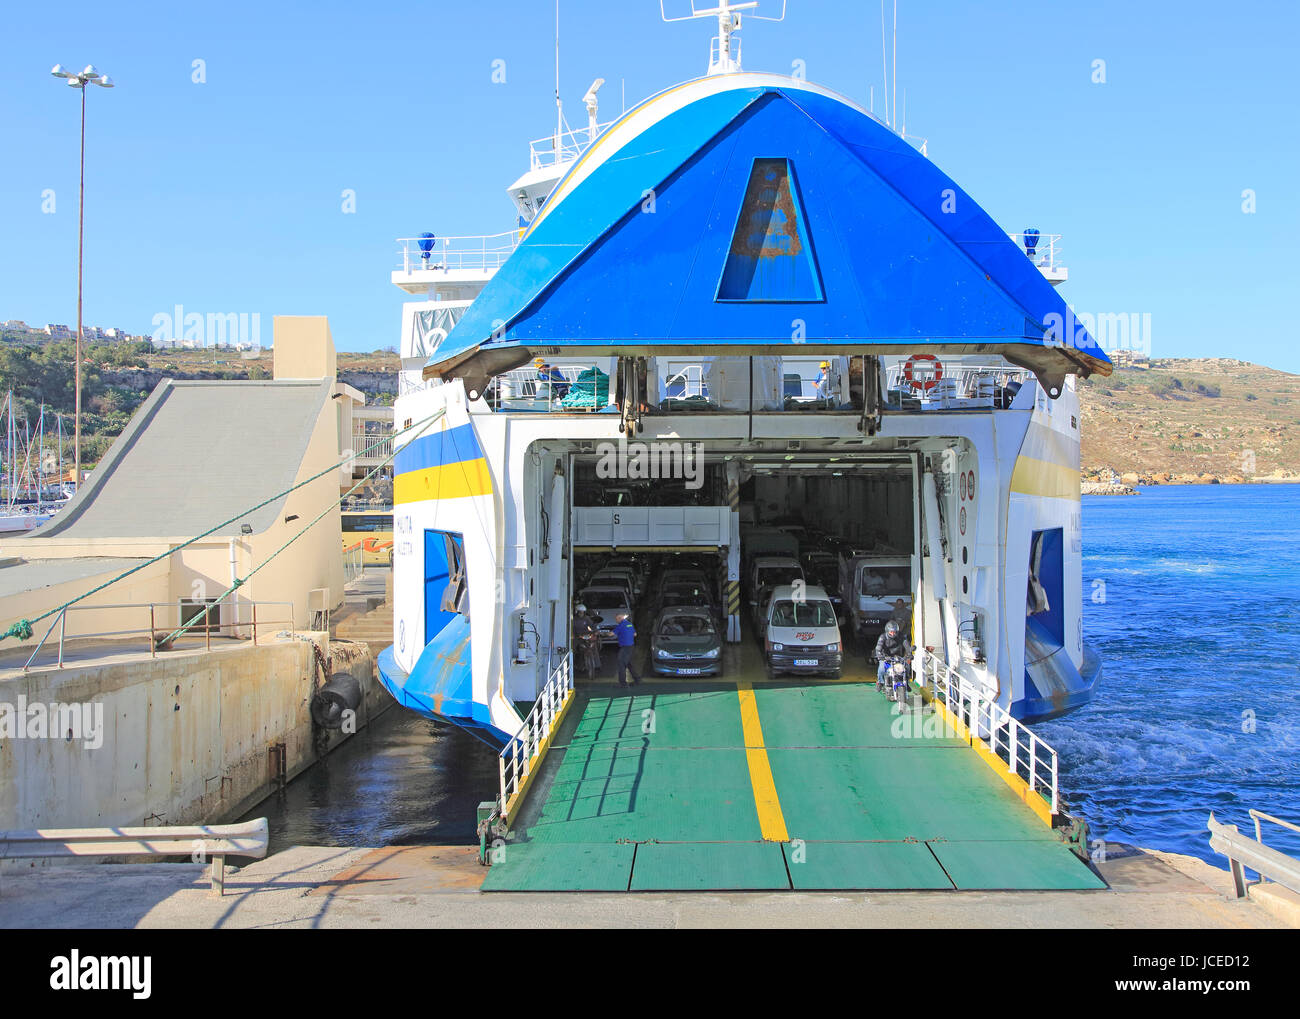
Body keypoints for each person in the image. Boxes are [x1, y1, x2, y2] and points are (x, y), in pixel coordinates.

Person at [874, 619, 911, 690]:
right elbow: (878, 647)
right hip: (886, 657)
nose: (893, 633)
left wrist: (910, 653)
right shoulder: (883, 637)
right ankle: (880, 683)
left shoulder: (901, 636)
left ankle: (906, 682)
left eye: (894, 632)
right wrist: (879, 655)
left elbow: (906, 645)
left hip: (898, 657)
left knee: (907, 667)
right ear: (887, 631)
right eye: (891, 632)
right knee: (881, 669)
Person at [613, 611, 641, 687]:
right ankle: (637, 679)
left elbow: (611, 634)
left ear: (620, 618)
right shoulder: (630, 624)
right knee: (629, 664)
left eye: (616, 619)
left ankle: (623, 683)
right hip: (631, 646)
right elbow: (635, 634)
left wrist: (602, 634)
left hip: (625, 648)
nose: (616, 621)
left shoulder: (621, 625)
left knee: (621, 664)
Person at [573, 604, 601, 678]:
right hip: (578, 636)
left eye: (582, 612)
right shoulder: (574, 620)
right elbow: (572, 629)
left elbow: (592, 626)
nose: (581, 614)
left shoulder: (587, 618)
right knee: (575, 649)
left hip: (587, 635)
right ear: (577, 612)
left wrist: (596, 631)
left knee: (594, 647)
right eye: (580, 612)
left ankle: (597, 665)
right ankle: (577, 665)